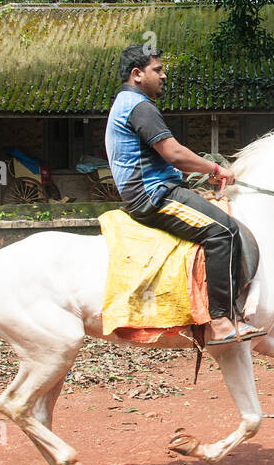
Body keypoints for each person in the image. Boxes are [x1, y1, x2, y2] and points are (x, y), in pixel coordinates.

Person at [104, 43, 265, 345]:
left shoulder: (129, 103)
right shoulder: (138, 106)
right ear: (137, 74)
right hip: (154, 196)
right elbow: (174, 153)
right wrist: (215, 169)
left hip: (157, 190)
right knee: (224, 231)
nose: (164, 76)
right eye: (158, 70)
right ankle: (219, 322)